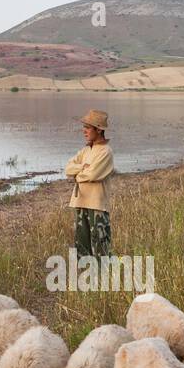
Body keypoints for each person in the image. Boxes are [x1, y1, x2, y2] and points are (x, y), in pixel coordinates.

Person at [65, 109, 114, 258]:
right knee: (81, 244)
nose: (84, 131)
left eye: (87, 128)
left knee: (100, 244)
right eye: (84, 127)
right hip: (80, 201)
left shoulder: (105, 152)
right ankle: (85, 277)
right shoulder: (85, 150)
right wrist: (81, 168)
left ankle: (103, 277)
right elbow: (68, 169)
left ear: (98, 130)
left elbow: (93, 174)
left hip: (97, 204)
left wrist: (77, 175)